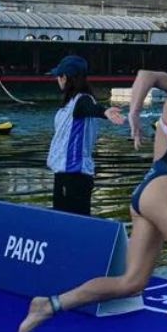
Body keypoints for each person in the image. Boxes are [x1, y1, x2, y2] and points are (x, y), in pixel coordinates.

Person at [18, 47, 167, 332]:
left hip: (146, 194)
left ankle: (49, 305)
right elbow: (149, 75)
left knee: (131, 283)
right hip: (160, 198)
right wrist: (133, 112)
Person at [46, 55, 125, 216]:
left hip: (74, 174)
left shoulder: (82, 100)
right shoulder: (70, 103)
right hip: (64, 172)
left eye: (59, 76)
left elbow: (90, 108)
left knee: (72, 220)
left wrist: (104, 112)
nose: (57, 80)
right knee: (64, 219)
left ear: (65, 78)